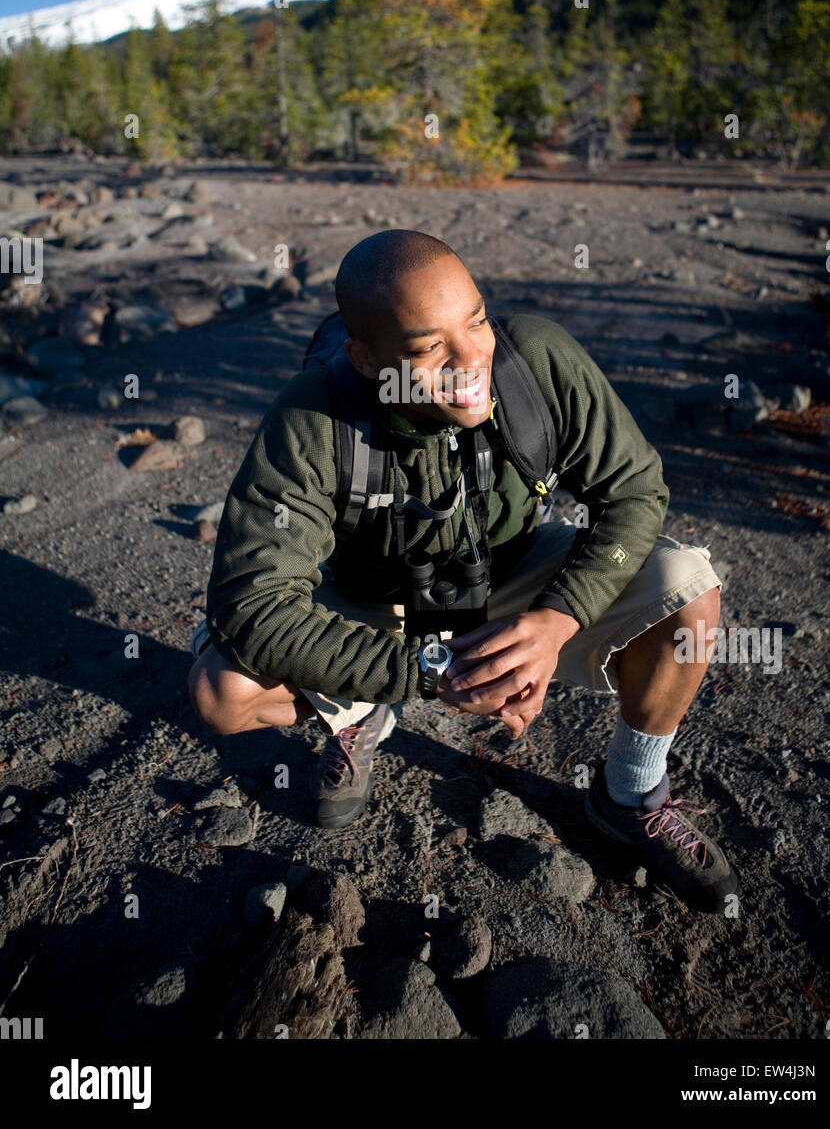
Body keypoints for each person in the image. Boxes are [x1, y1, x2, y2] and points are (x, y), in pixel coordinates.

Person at [188, 230, 737, 909]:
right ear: (366, 358)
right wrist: (428, 670)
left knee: (689, 591)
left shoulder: (534, 358)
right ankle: (361, 712)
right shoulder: (310, 418)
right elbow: (254, 606)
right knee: (223, 693)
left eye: (475, 319)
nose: (472, 356)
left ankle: (630, 792)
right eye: (427, 348)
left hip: (507, 577)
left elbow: (634, 491)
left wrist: (556, 619)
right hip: (373, 602)